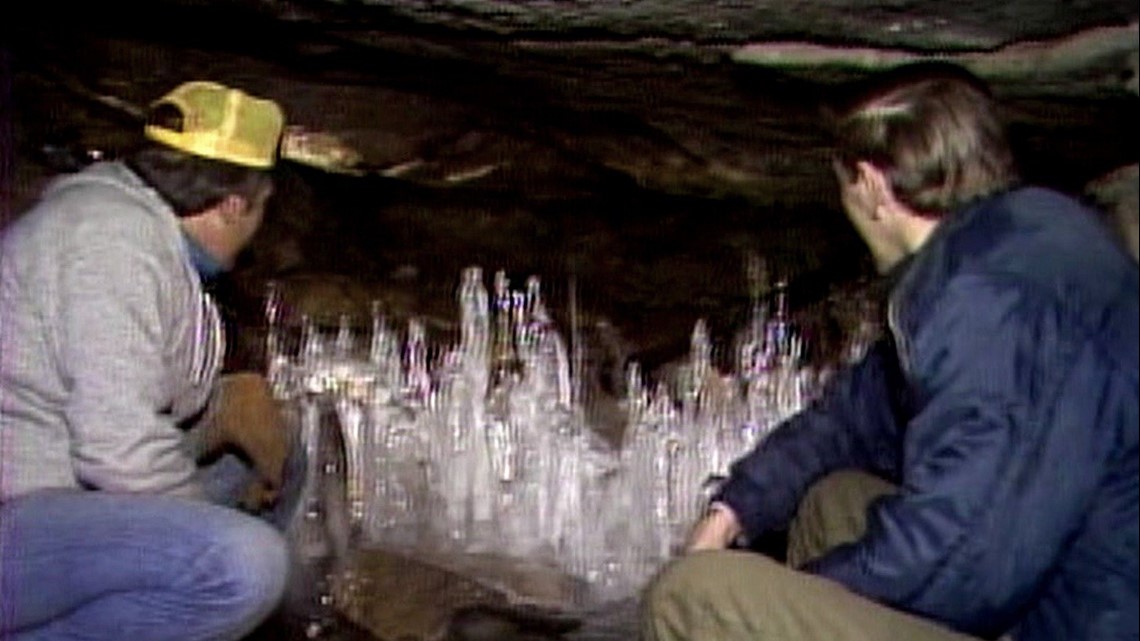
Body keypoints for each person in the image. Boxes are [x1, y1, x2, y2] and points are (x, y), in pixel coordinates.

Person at [641, 63, 1138, 641]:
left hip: (1080, 622)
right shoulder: (1025, 238)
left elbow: (965, 564)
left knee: (696, 599)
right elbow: (854, 417)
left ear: (873, 188)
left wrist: (802, 594)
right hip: (1063, 590)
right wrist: (734, 509)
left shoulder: (988, 302)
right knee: (833, 502)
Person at [1, 81, 294, 641]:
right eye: (261, 209)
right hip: (19, 502)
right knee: (243, 564)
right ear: (234, 206)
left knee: (270, 465)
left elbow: (124, 394)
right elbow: (116, 448)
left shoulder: (152, 240)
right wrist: (204, 524)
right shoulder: (107, 241)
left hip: (49, 482)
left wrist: (222, 412)